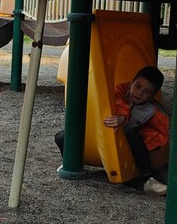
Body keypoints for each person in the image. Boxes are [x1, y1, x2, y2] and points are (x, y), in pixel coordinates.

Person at [55, 65, 170, 196]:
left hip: (124, 147)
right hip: (100, 137)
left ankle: (146, 178)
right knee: (61, 137)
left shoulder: (152, 111)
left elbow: (159, 135)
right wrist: (123, 116)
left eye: (147, 92)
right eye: (138, 86)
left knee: (131, 134)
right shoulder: (120, 91)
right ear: (131, 82)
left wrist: (158, 157)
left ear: (152, 96)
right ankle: (71, 163)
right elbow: (117, 101)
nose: (139, 93)